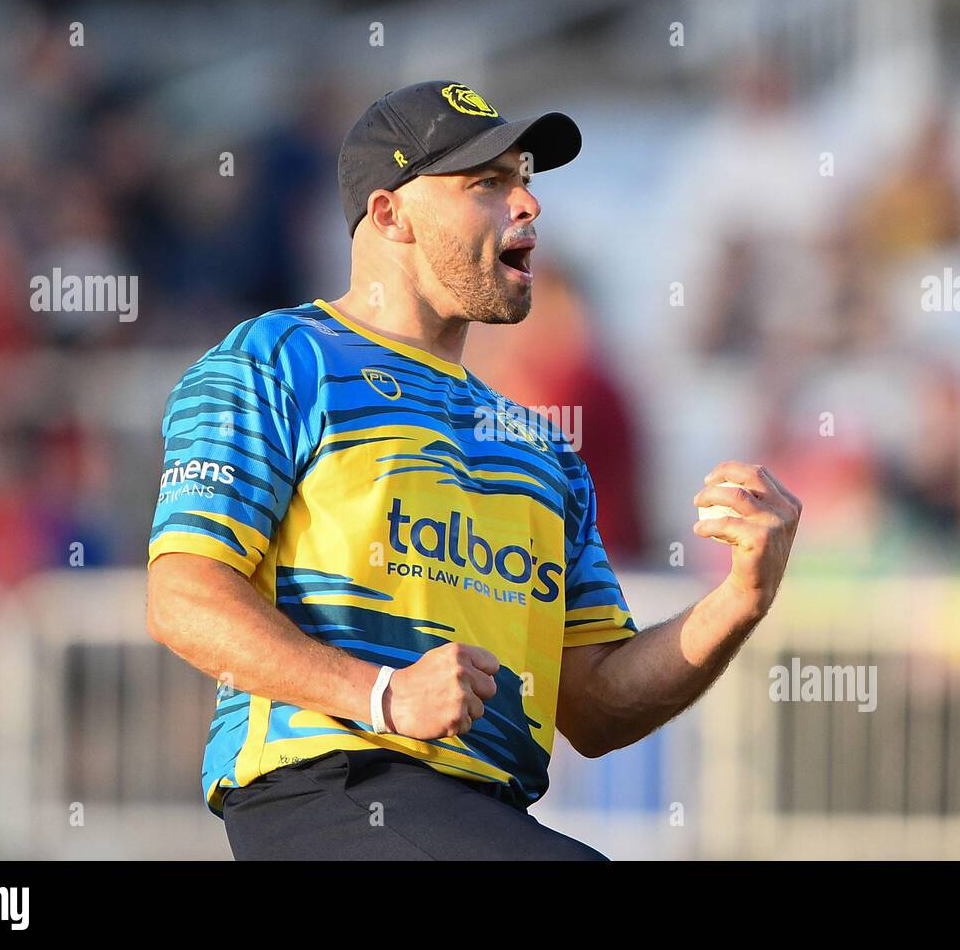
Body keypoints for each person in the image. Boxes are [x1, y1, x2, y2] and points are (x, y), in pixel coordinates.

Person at [145, 80, 801, 860]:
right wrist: (383, 697)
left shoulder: (543, 447)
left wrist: (739, 598)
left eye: (525, 179)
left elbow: (594, 707)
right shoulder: (280, 359)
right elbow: (183, 596)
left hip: (481, 818)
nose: (528, 205)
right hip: (332, 787)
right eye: (488, 183)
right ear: (389, 214)